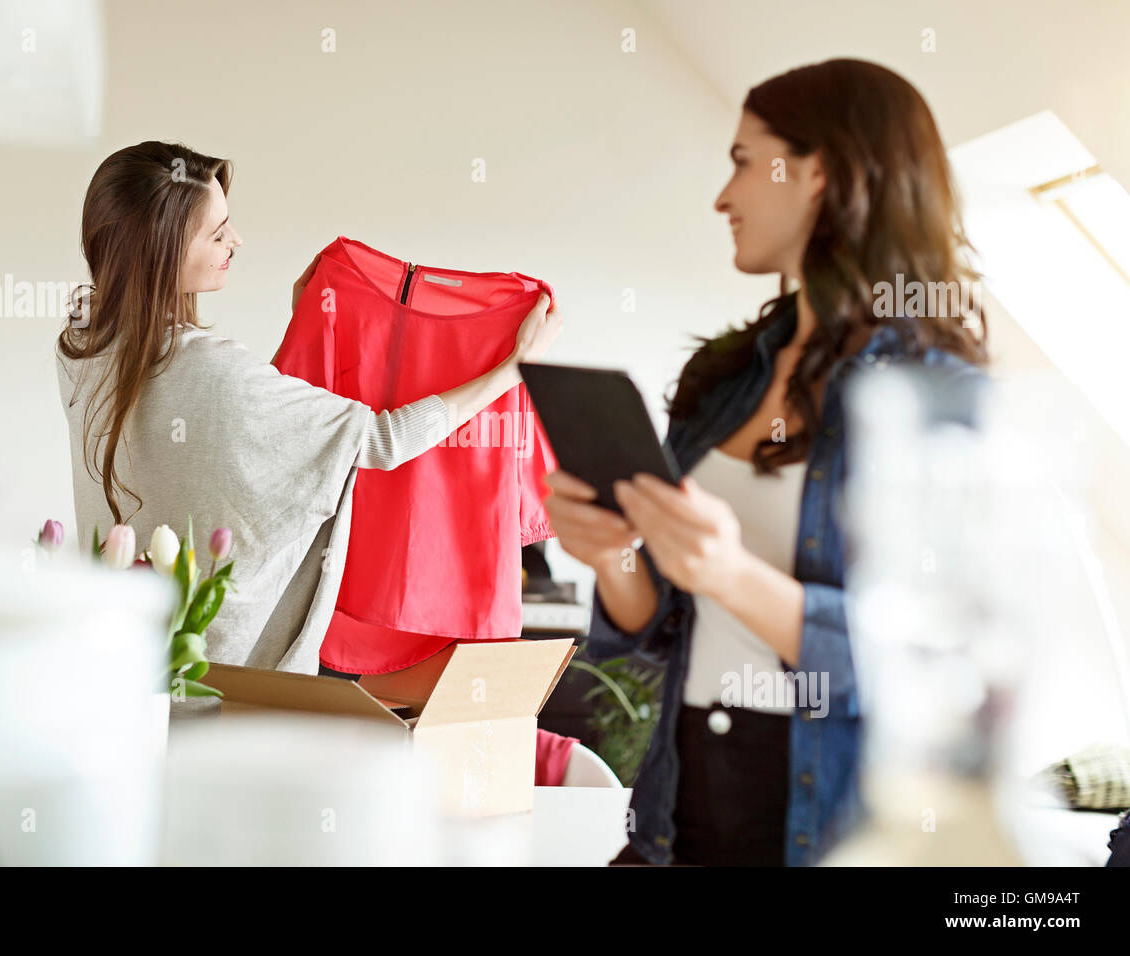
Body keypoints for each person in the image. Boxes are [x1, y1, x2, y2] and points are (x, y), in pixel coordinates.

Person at [541, 58, 992, 866]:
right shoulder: (724, 380)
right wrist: (616, 559)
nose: (723, 196)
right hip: (678, 808)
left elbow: (933, 662)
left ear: (821, 171)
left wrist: (731, 574)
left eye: (744, 162)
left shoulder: (936, 399)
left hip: (820, 821)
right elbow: (658, 631)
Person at [55, 141, 560, 676]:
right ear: (161, 248)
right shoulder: (216, 372)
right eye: (217, 232)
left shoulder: (79, 349)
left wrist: (305, 327)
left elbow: (227, 424)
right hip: (222, 680)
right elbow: (380, 441)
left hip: (114, 656)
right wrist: (509, 370)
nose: (236, 240)